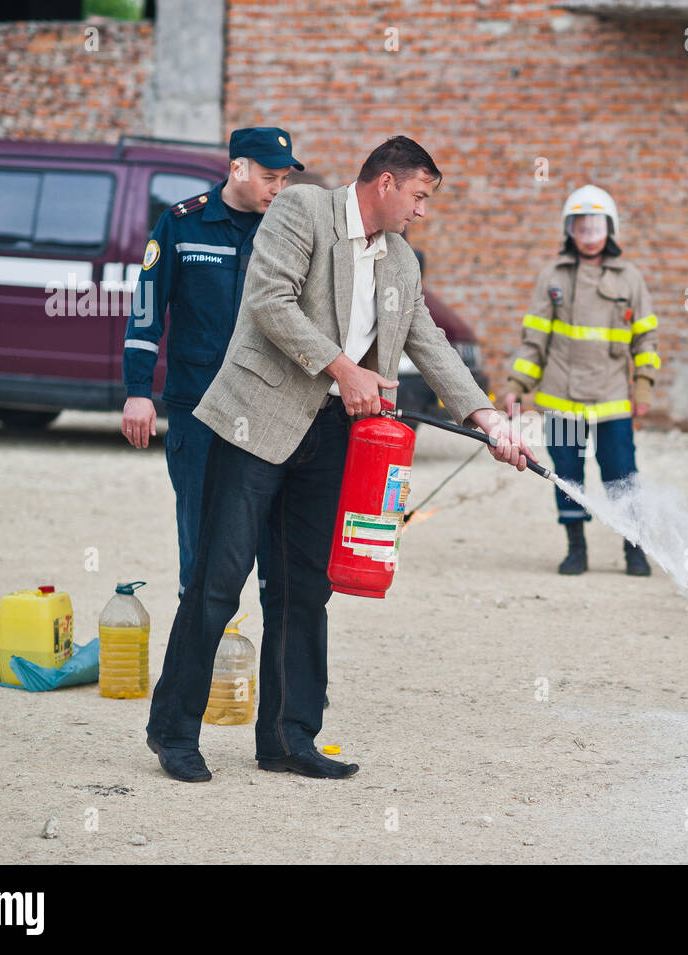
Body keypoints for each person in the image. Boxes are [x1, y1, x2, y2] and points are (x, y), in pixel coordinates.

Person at [145, 136, 535, 783]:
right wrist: (344, 368)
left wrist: (489, 419)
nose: (423, 210)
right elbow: (270, 301)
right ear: (384, 183)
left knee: (304, 590)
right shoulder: (302, 211)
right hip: (255, 421)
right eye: (420, 195)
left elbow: (429, 342)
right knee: (218, 580)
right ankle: (173, 732)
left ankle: (288, 738)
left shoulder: (403, 262)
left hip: (330, 437)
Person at [121, 126, 299, 600]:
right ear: (237, 168)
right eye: (268, 177)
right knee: (199, 530)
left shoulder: (287, 229)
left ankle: (258, 656)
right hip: (196, 407)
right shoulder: (181, 225)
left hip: (267, 409)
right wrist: (138, 391)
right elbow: (146, 309)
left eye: (283, 179)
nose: (277, 189)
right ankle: (196, 652)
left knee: (267, 531)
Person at [501, 185, 659, 577]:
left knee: (622, 475)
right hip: (561, 401)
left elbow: (646, 339)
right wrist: (517, 385)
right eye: (580, 226)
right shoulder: (553, 277)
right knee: (567, 475)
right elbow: (534, 339)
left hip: (612, 402)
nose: (588, 235)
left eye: (596, 226)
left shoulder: (630, 278)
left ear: (610, 229)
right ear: (568, 230)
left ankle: (634, 549)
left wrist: (643, 386)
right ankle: (576, 548)